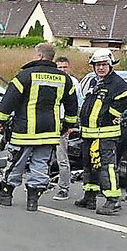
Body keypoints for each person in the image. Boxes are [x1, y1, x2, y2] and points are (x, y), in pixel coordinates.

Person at [0, 42, 78, 211]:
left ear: (39, 56)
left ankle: (5, 194)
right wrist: (68, 125)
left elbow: (8, 101)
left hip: (25, 131)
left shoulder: (25, 76)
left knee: (16, 163)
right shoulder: (64, 79)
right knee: (41, 165)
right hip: (50, 132)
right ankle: (32, 201)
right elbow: (72, 106)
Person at [76, 48, 127, 215]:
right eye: (97, 65)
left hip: (105, 135)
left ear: (110, 65)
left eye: (104, 64)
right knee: (89, 166)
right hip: (90, 134)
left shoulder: (116, 83)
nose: (101, 68)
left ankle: (112, 200)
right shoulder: (96, 82)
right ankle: (90, 196)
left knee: (107, 167)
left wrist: (112, 114)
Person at [51, 55, 77, 200]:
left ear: (69, 67)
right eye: (59, 67)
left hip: (63, 123)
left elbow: (75, 105)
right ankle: (41, 183)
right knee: (44, 157)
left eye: (64, 67)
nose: (62, 70)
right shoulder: (52, 80)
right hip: (50, 122)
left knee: (62, 158)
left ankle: (64, 188)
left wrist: (70, 125)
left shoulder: (73, 83)